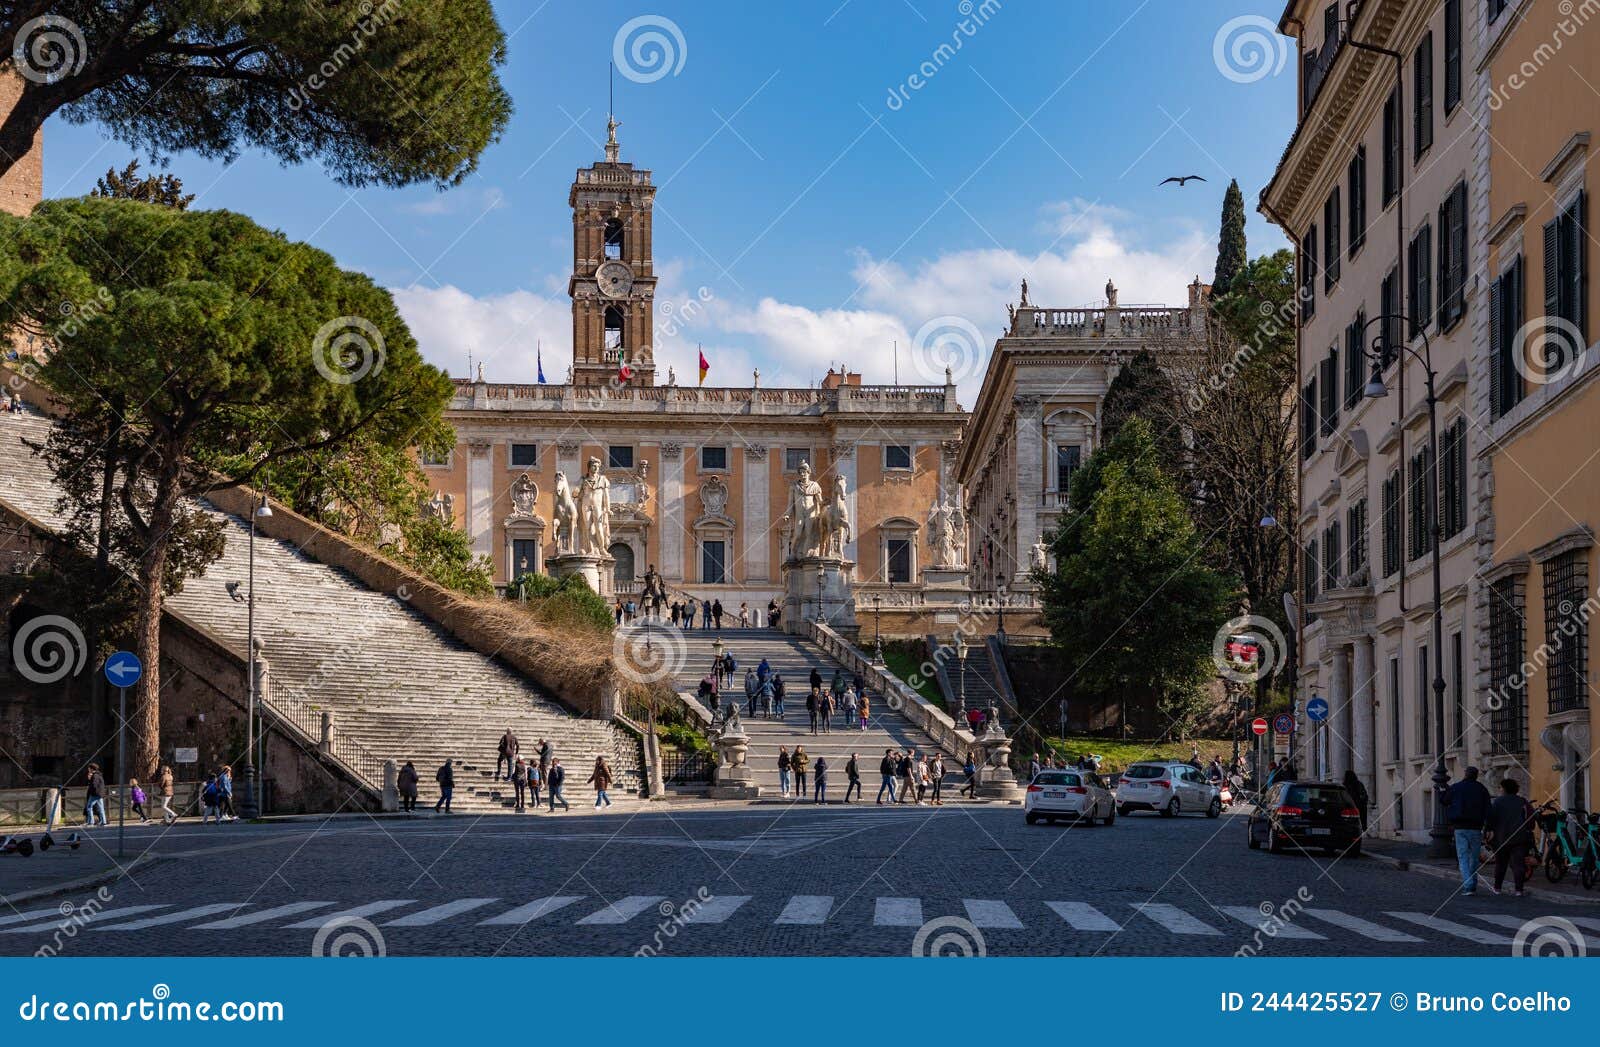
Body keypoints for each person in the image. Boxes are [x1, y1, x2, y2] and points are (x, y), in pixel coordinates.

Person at [1443, 766, 1493, 896]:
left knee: (1463, 857)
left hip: (1460, 828)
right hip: (1476, 828)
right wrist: (1489, 827)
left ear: (1465, 774)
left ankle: (1468, 885)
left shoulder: (1456, 787)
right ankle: (1472, 883)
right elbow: (1488, 809)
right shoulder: (1482, 789)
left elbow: (1444, 800)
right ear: (1476, 776)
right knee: (1474, 858)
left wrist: (1443, 790)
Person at [1484, 778, 1536, 897]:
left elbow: (1490, 818)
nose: (1500, 789)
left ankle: (1497, 888)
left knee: (1500, 864)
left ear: (1505, 789)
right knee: (1518, 865)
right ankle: (1519, 890)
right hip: (1519, 837)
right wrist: (1528, 829)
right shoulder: (1522, 801)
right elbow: (1530, 818)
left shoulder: (1497, 802)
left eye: (1501, 787)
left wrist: (1487, 832)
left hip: (1500, 838)